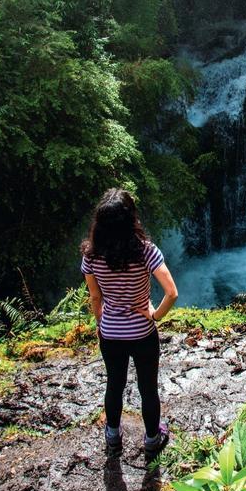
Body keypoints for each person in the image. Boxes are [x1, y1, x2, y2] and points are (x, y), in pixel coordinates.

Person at [80, 188, 179, 459]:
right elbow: (172, 293)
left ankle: (113, 436)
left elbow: (95, 297)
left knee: (114, 383)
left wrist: (101, 325)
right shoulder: (146, 252)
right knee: (148, 388)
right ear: (131, 219)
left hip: (110, 333)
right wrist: (155, 315)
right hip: (143, 332)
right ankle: (151, 439)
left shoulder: (91, 256)